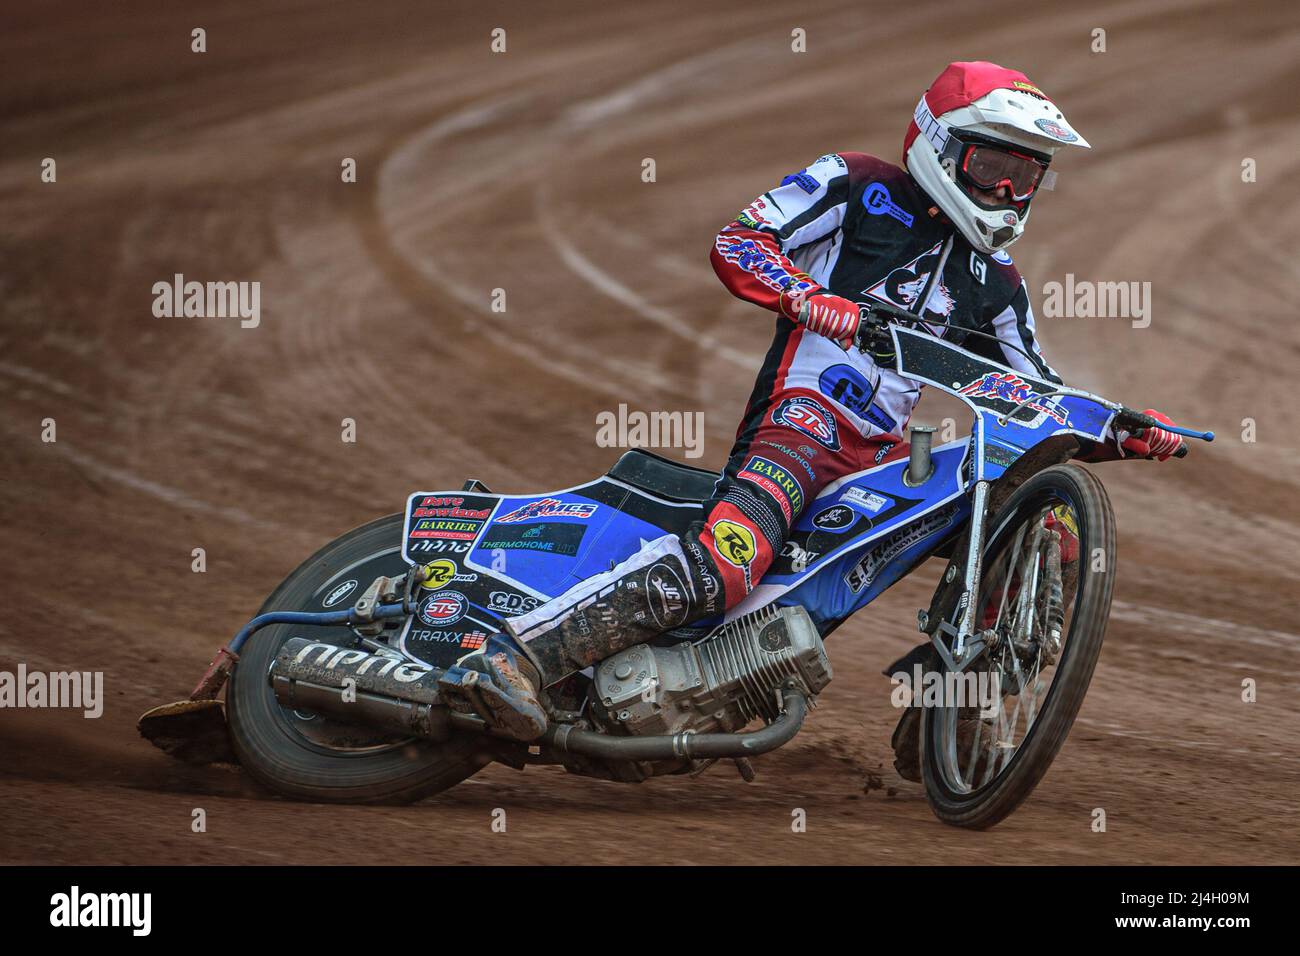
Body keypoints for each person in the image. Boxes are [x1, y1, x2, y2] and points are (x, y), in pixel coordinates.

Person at [438, 60, 1184, 743]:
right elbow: (739, 241)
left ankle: (952, 718)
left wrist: (1120, 428)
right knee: (727, 564)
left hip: (886, 456)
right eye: (992, 168)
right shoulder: (857, 185)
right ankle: (513, 659)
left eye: (1027, 177)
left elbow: (1038, 394)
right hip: (801, 424)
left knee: (1044, 526)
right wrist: (808, 298)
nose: (1007, 194)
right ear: (939, 144)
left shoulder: (998, 282)